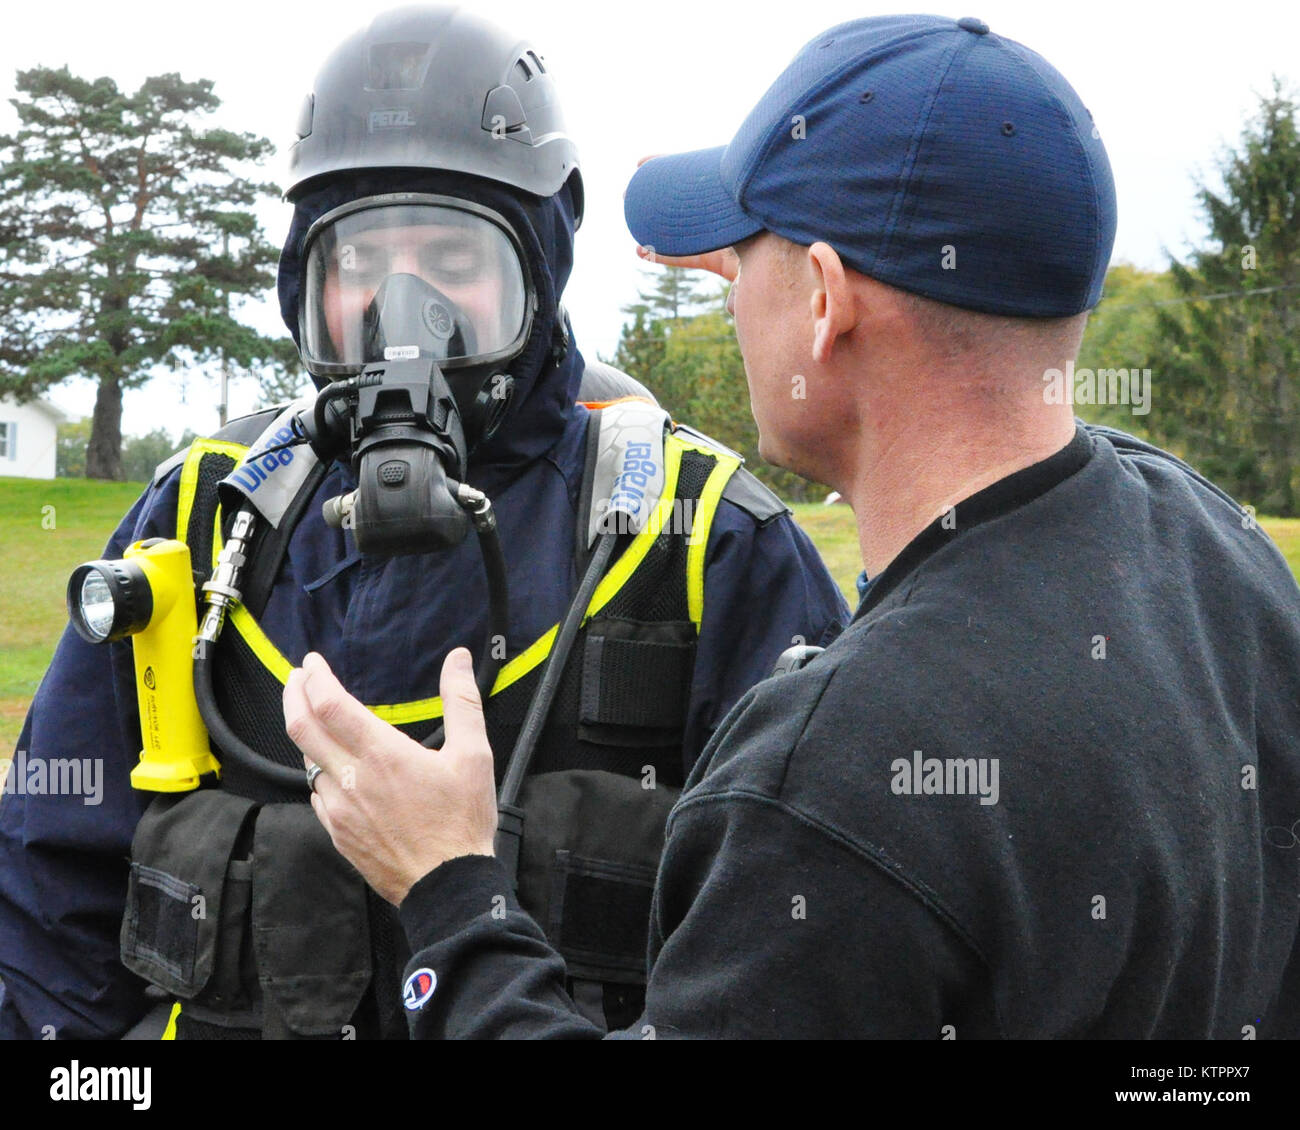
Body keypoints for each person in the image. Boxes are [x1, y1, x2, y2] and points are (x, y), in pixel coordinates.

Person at [289, 14, 1300, 1038]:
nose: (727, 289)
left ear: (823, 301)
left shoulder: (829, 787)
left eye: (743, 250)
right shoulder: (1221, 551)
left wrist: (451, 890)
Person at [0, 5, 849, 1040]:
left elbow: (795, 960)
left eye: (451, 258)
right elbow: (51, 902)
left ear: (537, 267)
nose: (401, 309)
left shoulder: (699, 542)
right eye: (358, 264)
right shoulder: (206, 512)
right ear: (304, 284)